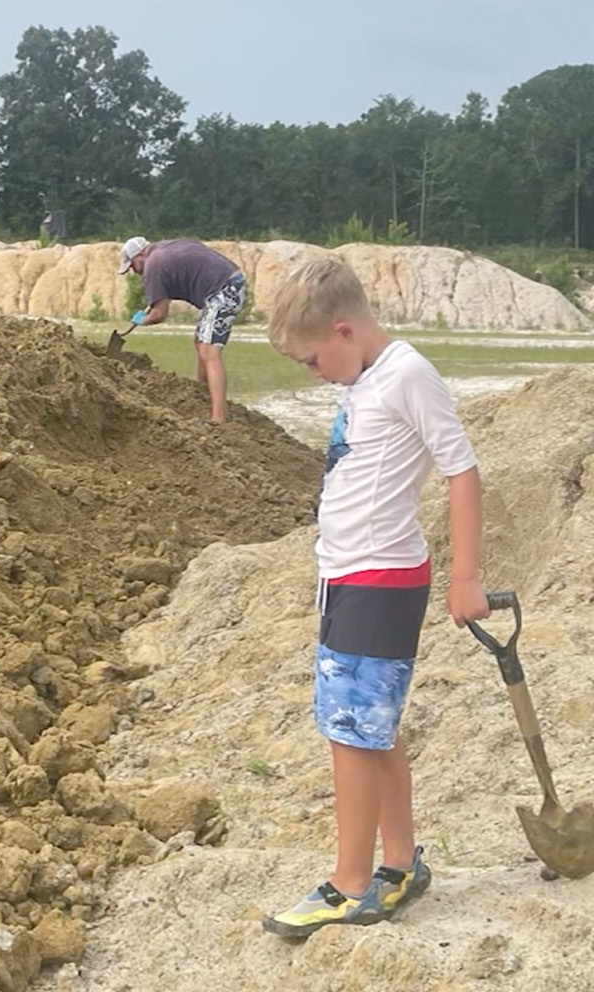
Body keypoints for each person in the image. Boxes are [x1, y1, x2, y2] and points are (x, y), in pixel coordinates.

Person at [259, 256, 487, 938]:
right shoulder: (364, 378)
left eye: (311, 360)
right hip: (347, 576)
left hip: (380, 580)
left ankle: (348, 882)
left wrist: (465, 576)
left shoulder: (408, 374)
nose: (313, 373)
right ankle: (400, 863)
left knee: (348, 736)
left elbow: (463, 470)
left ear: (344, 330)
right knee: (369, 727)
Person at [119, 235, 248, 425]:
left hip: (224, 290)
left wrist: (141, 320)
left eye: (132, 266)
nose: (133, 271)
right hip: (229, 283)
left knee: (209, 350)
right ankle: (201, 395)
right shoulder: (165, 249)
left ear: (140, 255)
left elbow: (158, 314)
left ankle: (218, 418)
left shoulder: (153, 265)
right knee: (199, 343)